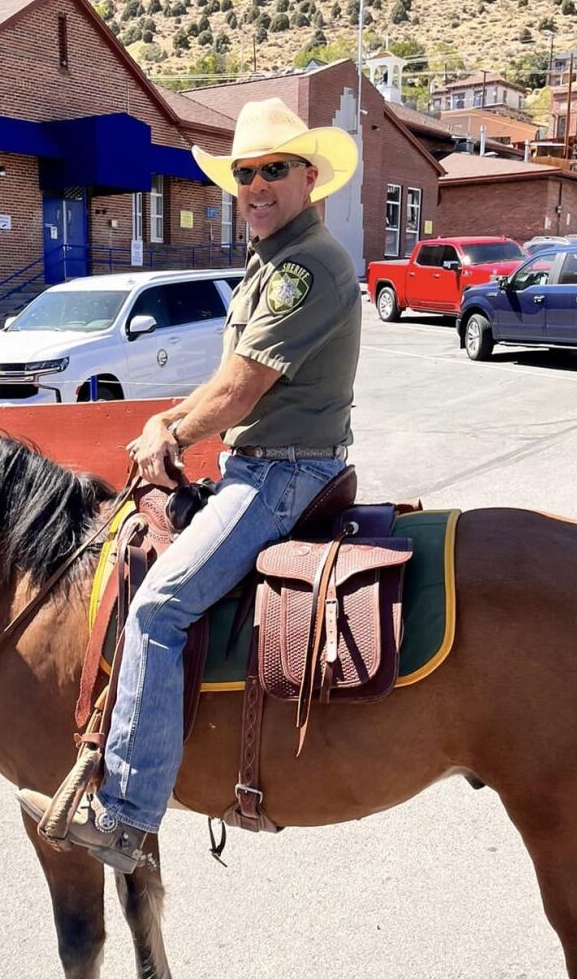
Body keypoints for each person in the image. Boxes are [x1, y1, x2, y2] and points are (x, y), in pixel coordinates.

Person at [20, 97, 362, 872]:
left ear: (310, 177)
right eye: (245, 173)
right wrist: (166, 422)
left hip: (282, 473)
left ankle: (128, 815)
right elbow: (223, 383)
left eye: (275, 169)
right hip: (259, 460)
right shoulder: (271, 259)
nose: (257, 184)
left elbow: (238, 395)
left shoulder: (304, 268)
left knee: (155, 608)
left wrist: (170, 434)